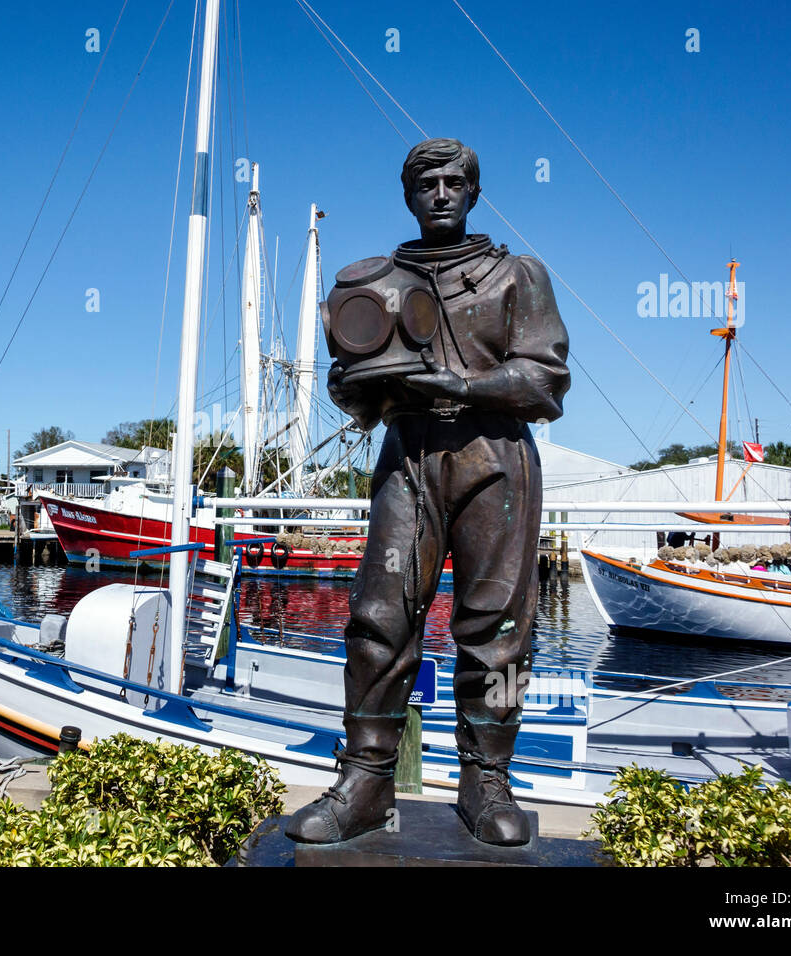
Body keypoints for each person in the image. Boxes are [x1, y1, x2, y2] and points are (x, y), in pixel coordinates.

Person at [285, 138, 570, 846]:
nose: (440, 194)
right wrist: (350, 389)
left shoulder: (516, 275)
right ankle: (365, 782)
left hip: (493, 454)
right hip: (408, 454)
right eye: (425, 184)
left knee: (497, 628)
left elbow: (545, 382)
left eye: (453, 182)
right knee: (379, 619)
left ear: (474, 192)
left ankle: (487, 781)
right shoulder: (377, 281)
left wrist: (467, 385)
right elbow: (353, 388)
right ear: (408, 196)